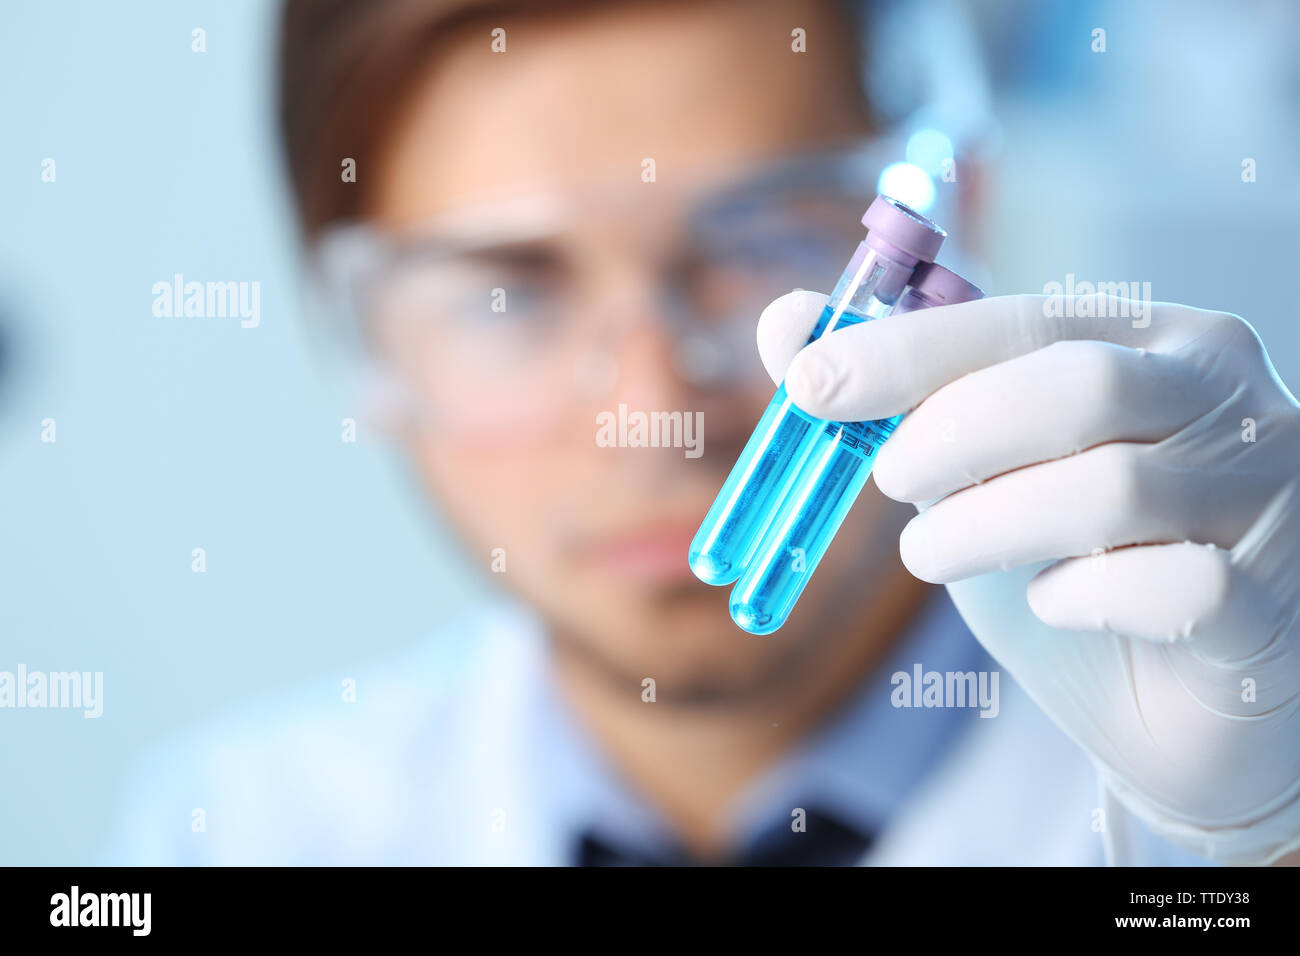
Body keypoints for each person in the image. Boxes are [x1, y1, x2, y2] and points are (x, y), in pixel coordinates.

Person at [113, 0, 1300, 866]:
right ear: (361, 339)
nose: (649, 415)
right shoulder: (244, 830)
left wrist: (1262, 845)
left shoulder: (1224, 768)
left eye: (750, 246)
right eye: (505, 292)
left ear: (955, 221)